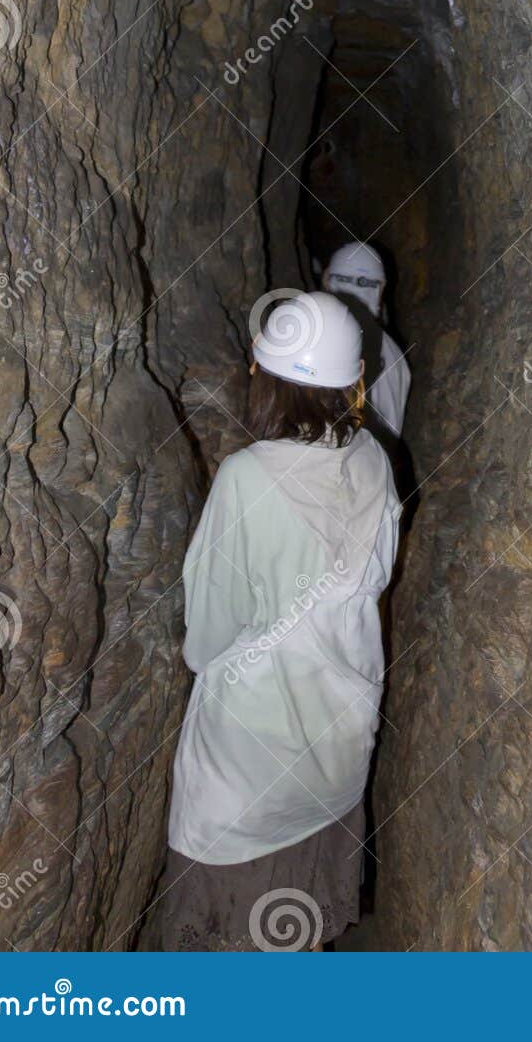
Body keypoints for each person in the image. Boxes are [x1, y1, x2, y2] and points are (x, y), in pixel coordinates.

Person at [155, 291, 401, 952]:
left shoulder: (245, 479)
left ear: (262, 378)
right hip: (339, 746)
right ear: (350, 381)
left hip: (248, 769)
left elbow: (209, 637)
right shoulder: (375, 461)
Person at [322, 242, 411, 438]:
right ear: (380, 289)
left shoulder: (305, 339)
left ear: (327, 281)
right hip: (367, 463)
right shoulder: (394, 358)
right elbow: (391, 432)